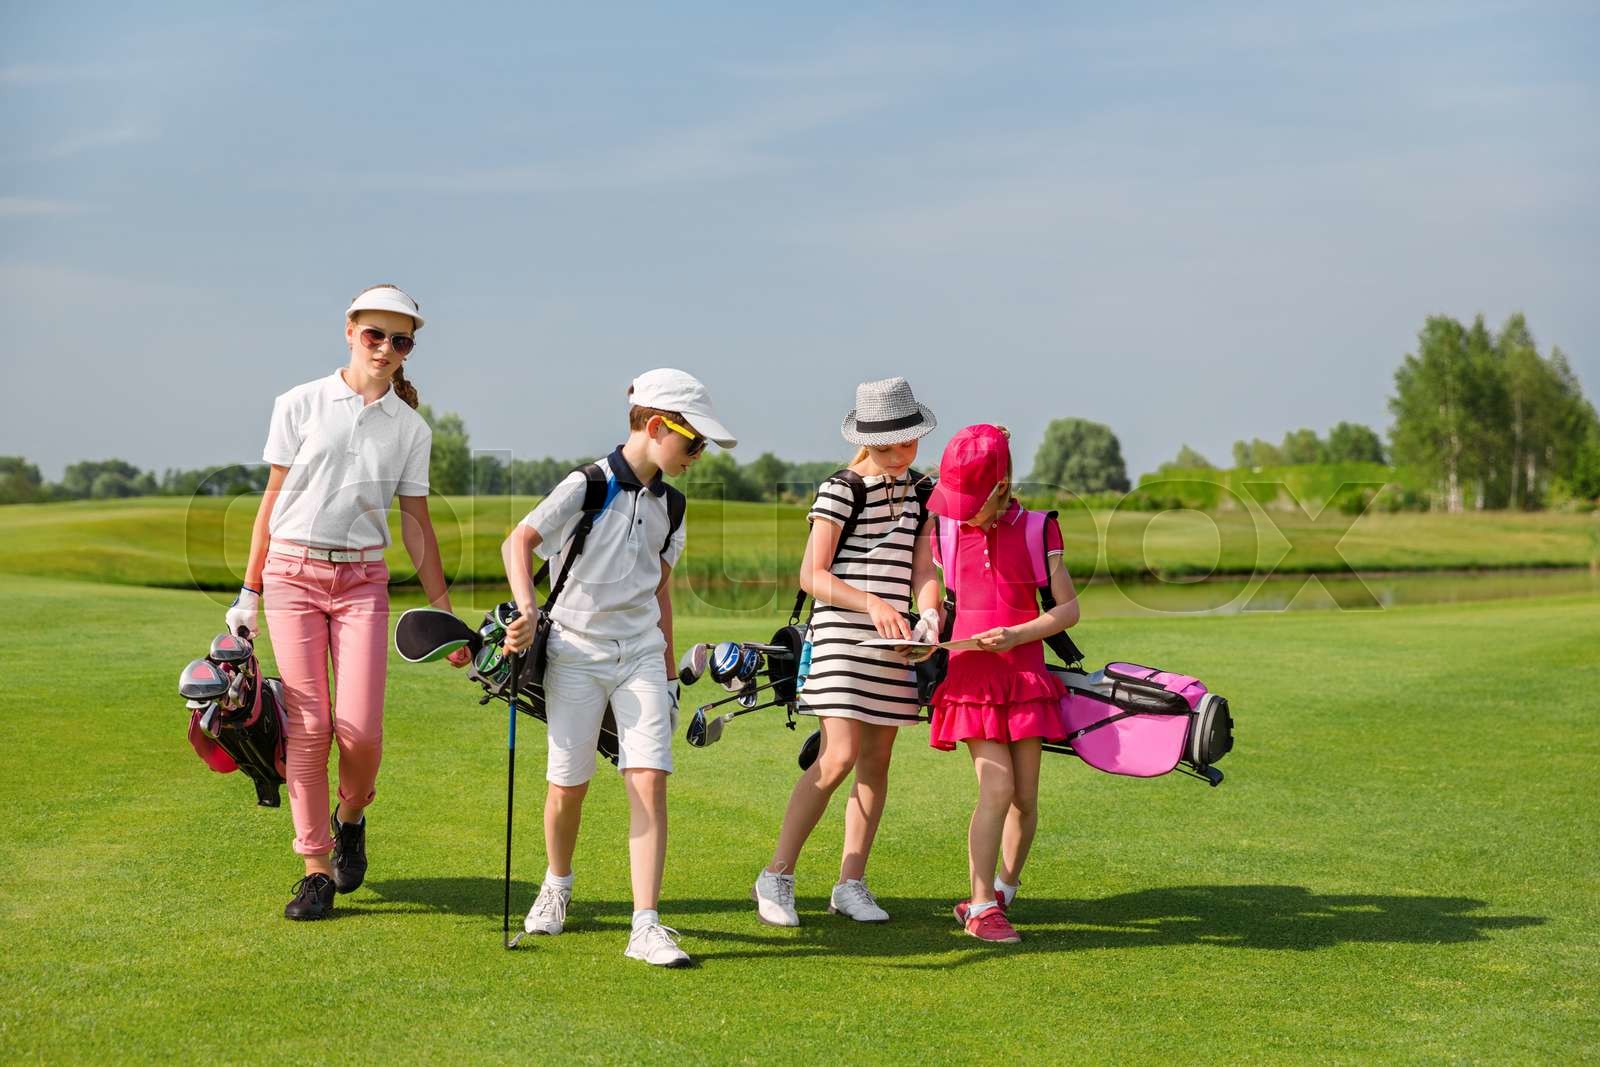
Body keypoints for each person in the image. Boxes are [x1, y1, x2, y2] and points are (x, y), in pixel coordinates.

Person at [228, 284, 467, 921]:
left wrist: (442, 614)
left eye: (401, 340)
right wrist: (249, 591)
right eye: (375, 335)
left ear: (410, 347)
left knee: (359, 729)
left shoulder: (411, 429)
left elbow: (415, 522)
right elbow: (271, 502)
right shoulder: (300, 403)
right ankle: (314, 868)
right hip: (291, 577)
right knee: (309, 728)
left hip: (363, 582)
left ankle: (350, 816)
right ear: (349, 330)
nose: (386, 349)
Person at [500, 369, 735, 967]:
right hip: (574, 653)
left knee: (649, 780)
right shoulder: (588, 484)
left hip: (638, 657)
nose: (697, 455)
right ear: (657, 427)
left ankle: (645, 925)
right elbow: (518, 542)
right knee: (567, 786)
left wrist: (666, 672)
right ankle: (557, 884)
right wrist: (527, 609)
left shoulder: (674, 506)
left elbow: (660, 591)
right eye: (693, 443)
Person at [751, 377, 942, 927]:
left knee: (876, 763)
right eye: (887, 447)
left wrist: (928, 613)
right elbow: (812, 576)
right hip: (841, 634)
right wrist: (874, 605)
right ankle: (777, 875)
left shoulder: (925, 490)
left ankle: (850, 884)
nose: (898, 456)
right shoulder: (841, 488)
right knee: (836, 758)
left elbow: (924, 568)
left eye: (906, 444)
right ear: (867, 440)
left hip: (896, 642)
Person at [925, 424, 1080, 943]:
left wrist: (1018, 633)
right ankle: (983, 908)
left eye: (972, 499)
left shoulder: (1040, 529)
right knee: (997, 786)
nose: (961, 510)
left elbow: (1068, 611)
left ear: (1000, 487)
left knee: (1025, 799)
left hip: (1025, 675)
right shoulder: (944, 531)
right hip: (971, 679)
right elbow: (931, 600)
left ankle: (1001, 891)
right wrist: (924, 629)